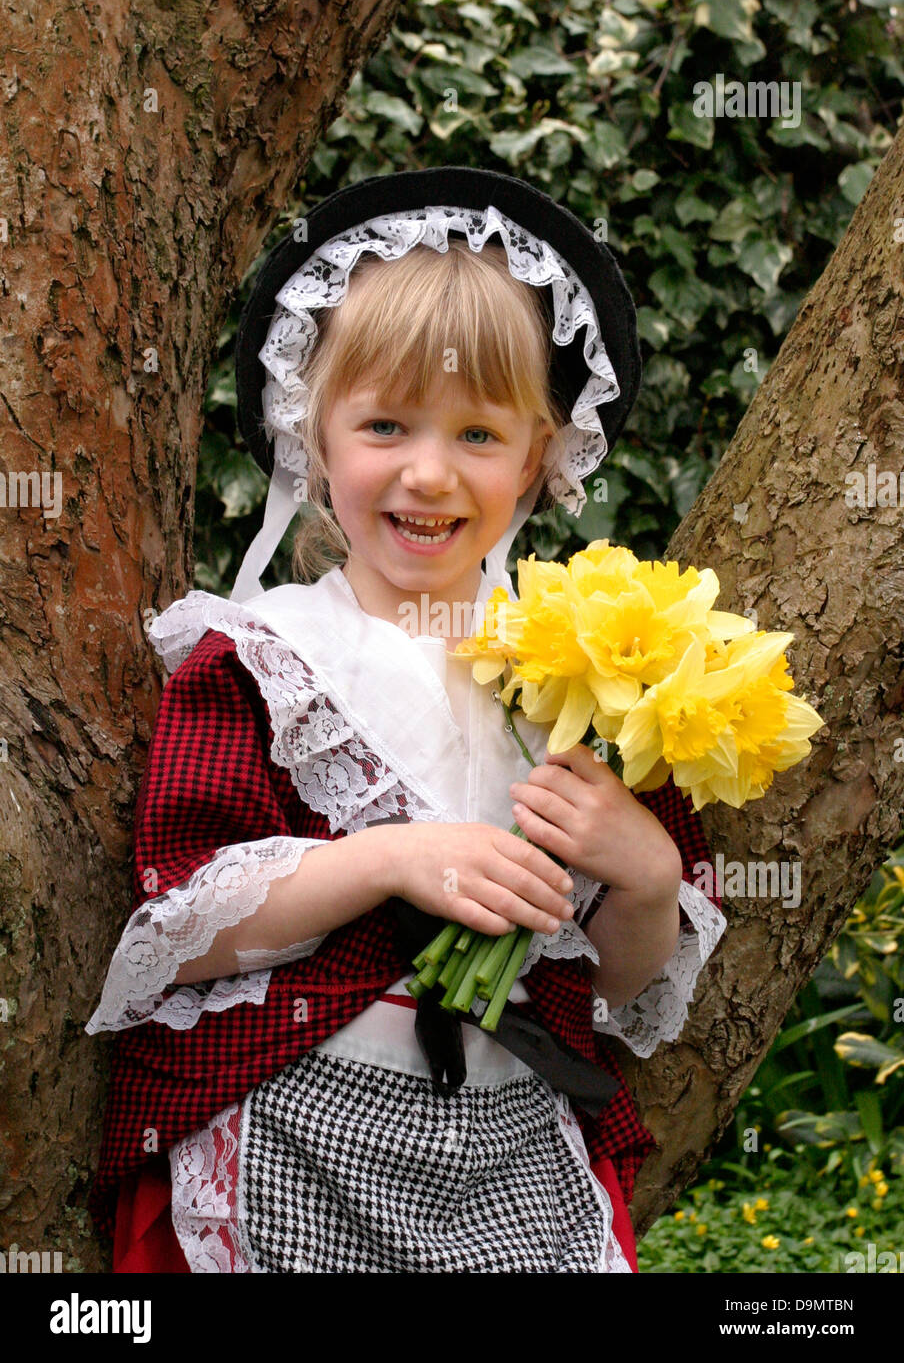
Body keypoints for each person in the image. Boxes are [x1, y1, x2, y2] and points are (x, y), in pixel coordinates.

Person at [85, 168, 727, 1273]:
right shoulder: (272, 658)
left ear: (536, 455)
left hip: (512, 1153)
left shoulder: (581, 666)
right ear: (314, 437)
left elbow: (616, 992)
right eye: (383, 423)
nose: (427, 474)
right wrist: (389, 858)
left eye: (478, 433)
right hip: (299, 1137)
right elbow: (181, 930)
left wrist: (648, 872)